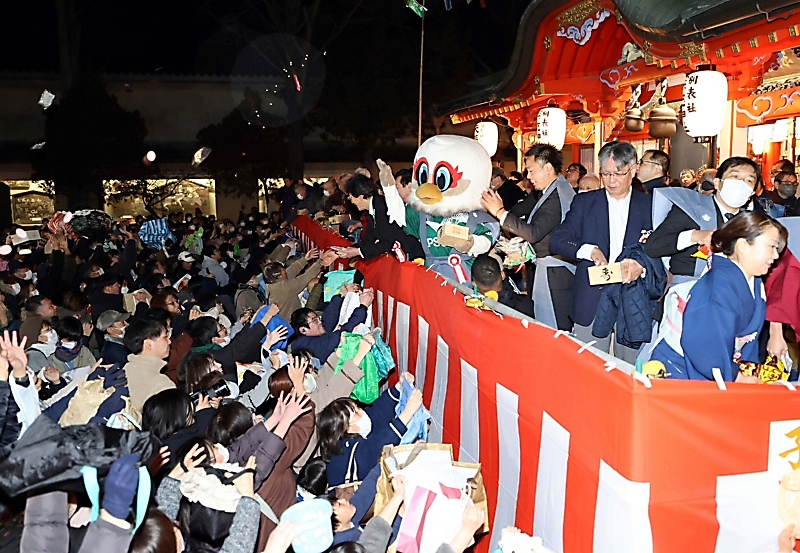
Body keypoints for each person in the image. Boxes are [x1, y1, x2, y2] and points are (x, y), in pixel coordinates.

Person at [650, 211, 787, 381]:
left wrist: (747, 369)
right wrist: (737, 376)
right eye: (772, 247)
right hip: (681, 368)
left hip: (725, 364)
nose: (776, 255)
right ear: (743, 245)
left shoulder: (753, 280)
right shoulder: (718, 287)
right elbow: (703, 347)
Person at [549, 141, 654, 362]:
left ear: (633, 169)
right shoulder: (585, 202)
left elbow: (660, 251)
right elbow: (557, 240)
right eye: (606, 174)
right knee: (588, 368)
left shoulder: (650, 205)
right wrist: (588, 250)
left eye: (619, 173)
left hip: (633, 299)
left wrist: (641, 266)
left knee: (630, 371)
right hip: (592, 298)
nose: (612, 180)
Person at [481, 144, 575, 330]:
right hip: (548, 269)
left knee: (554, 328)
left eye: (531, 171)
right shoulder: (553, 190)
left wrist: (500, 212)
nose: (529, 177)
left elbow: (534, 232)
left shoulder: (557, 196)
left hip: (554, 274)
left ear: (548, 168)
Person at [646, 156, 760, 279]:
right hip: (688, 288)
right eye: (735, 176)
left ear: (752, 192)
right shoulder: (691, 209)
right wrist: (694, 236)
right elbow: (653, 246)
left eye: (749, 180)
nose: (741, 184)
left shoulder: (752, 223)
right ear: (717, 183)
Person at [318, 373, 423, 487]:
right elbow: (378, 445)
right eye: (356, 413)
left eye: (358, 407)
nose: (362, 412)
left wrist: (399, 386)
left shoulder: (340, 439)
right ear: (346, 429)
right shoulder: (349, 452)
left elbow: (377, 413)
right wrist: (408, 412)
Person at [337, 174, 425, 262]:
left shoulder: (382, 207)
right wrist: (343, 252)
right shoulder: (373, 208)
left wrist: (358, 251)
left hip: (411, 255)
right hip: (399, 255)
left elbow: (387, 242)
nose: (351, 201)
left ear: (360, 196)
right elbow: (369, 239)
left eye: (350, 197)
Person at [290, 287, 372, 360]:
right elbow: (344, 334)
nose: (320, 322)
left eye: (318, 318)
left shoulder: (311, 335)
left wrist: (341, 294)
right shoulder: (310, 347)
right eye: (315, 320)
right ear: (303, 330)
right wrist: (363, 306)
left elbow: (328, 319)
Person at [123, 316, 174, 413]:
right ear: (148, 344)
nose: (169, 341)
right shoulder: (160, 384)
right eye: (165, 337)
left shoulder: (124, 371)